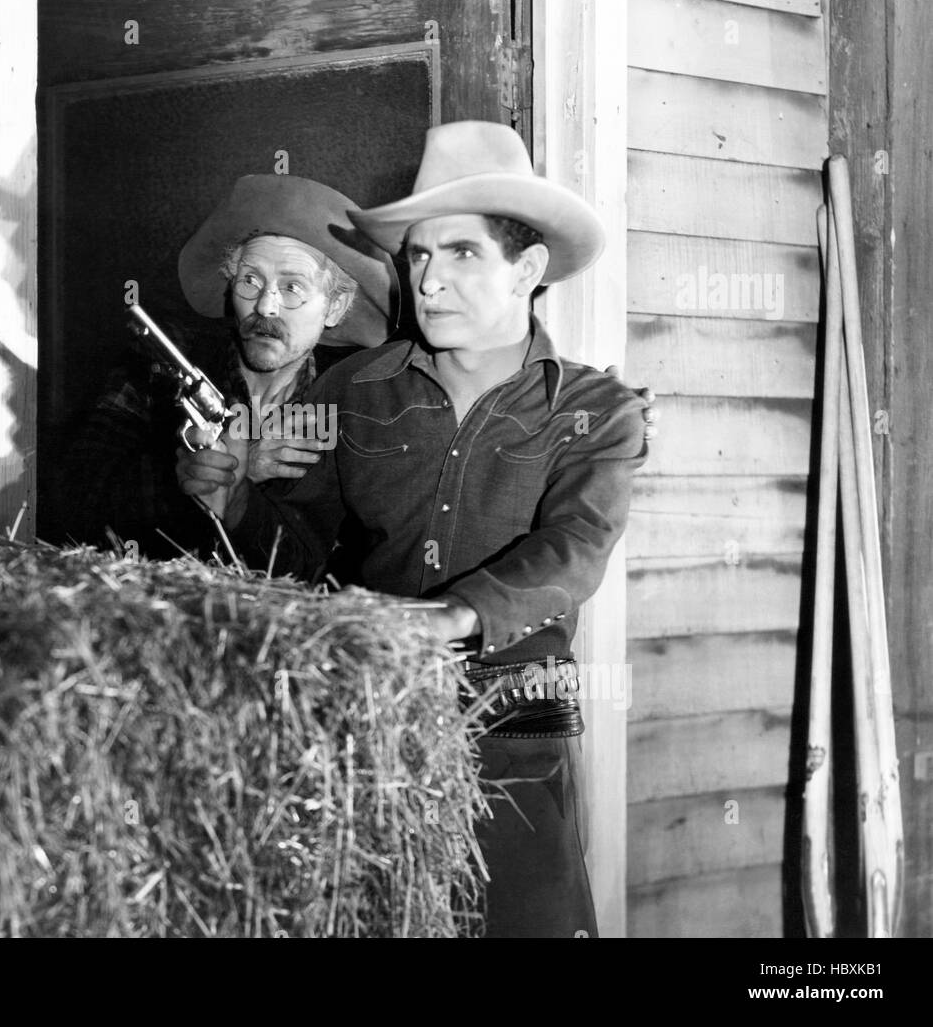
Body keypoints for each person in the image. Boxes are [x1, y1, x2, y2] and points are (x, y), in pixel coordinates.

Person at [176, 121, 651, 937]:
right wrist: (234, 505)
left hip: (512, 748)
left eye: (462, 254)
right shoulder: (351, 389)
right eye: (418, 255)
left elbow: (574, 550)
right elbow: (303, 552)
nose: (429, 281)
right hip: (369, 735)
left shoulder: (597, 412)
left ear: (527, 269)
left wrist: (456, 618)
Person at [56, 174, 398, 559]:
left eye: (292, 288)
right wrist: (216, 472)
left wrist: (239, 495)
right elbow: (72, 498)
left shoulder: (345, 408)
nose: (265, 307)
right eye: (250, 280)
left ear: (334, 308)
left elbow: (321, 560)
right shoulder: (160, 365)